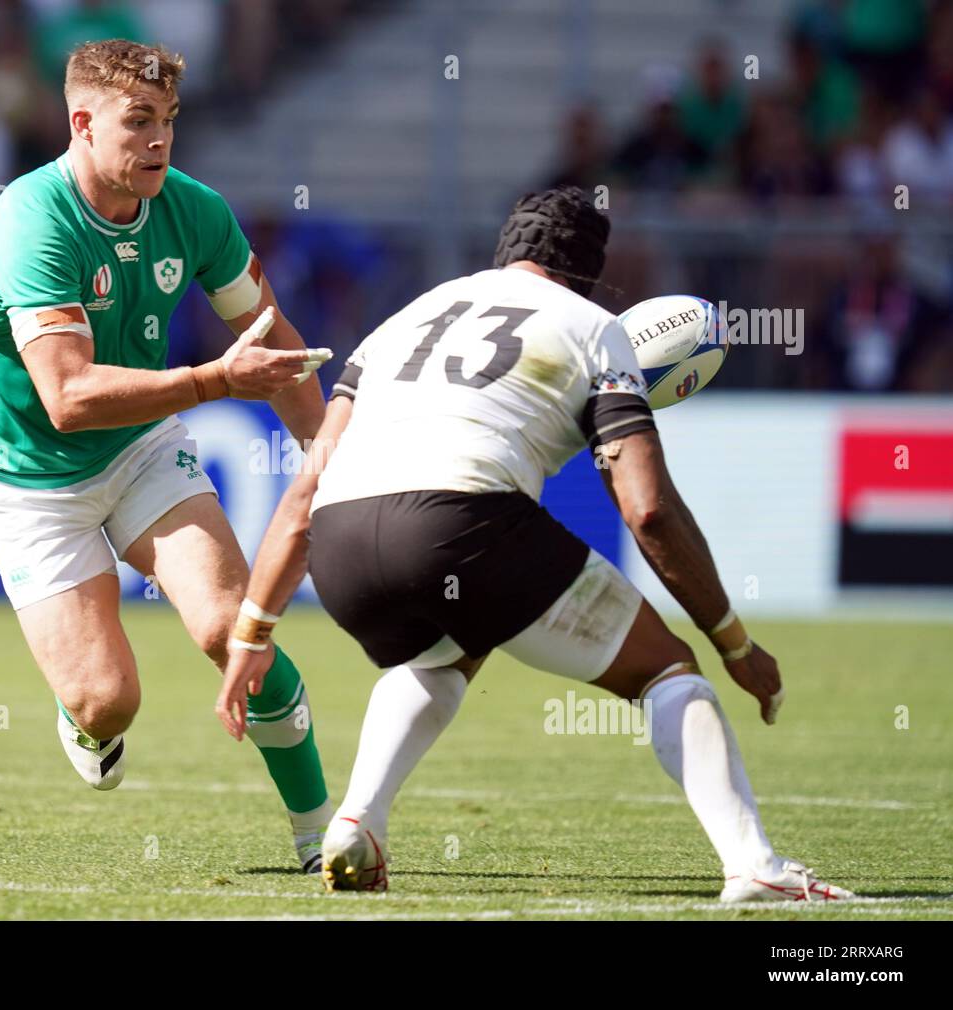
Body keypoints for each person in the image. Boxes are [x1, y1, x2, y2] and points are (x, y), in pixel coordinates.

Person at [215, 186, 855, 902]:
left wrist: (252, 632)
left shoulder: (401, 320)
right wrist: (732, 641)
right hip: (458, 521)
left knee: (446, 650)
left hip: (340, 544)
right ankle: (755, 866)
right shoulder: (593, 325)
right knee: (668, 670)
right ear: (589, 273)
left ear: (505, 253)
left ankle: (360, 820)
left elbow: (304, 493)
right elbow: (646, 510)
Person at [0, 39, 334, 873]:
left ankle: (324, 834)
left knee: (234, 626)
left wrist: (325, 454)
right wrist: (211, 381)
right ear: (82, 123)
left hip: (140, 449)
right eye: (139, 122)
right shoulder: (32, 219)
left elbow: (268, 335)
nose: (160, 140)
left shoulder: (195, 210)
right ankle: (82, 717)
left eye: (169, 121)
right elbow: (66, 397)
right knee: (109, 701)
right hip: (32, 478)